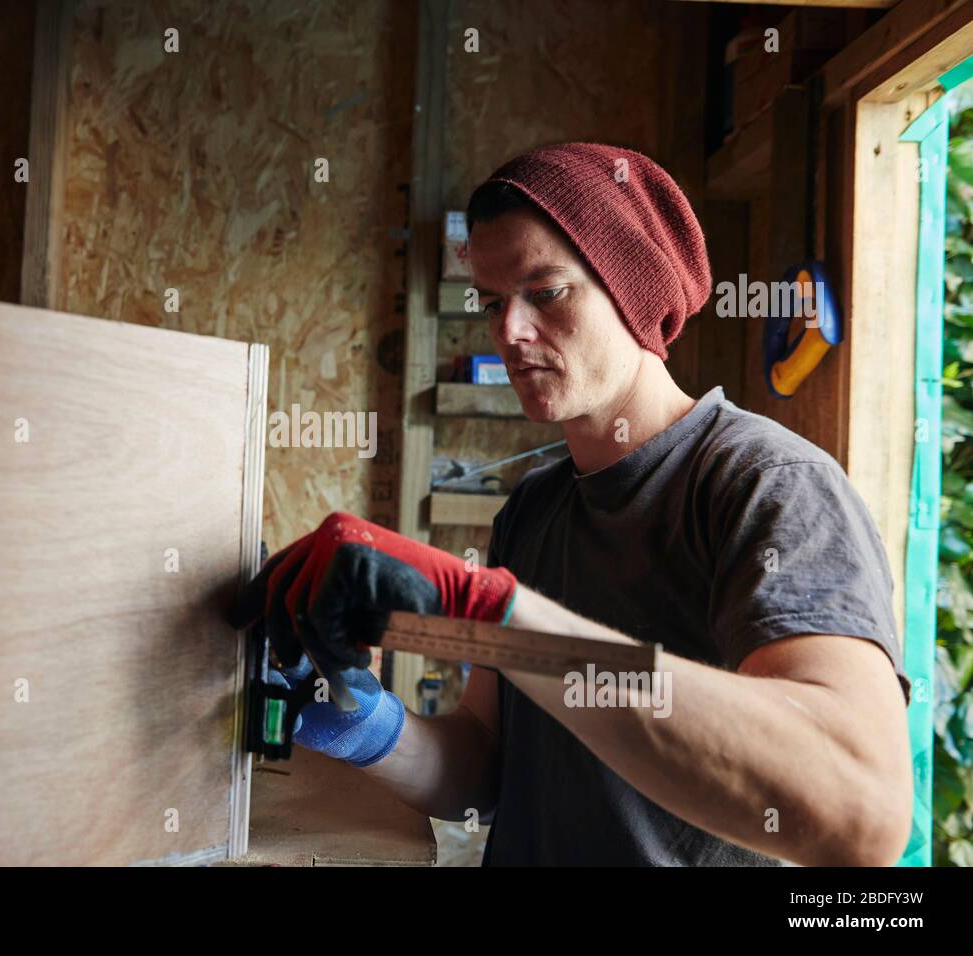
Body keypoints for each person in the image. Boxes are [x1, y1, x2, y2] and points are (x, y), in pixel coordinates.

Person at [230, 143, 912, 866]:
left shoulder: (769, 484)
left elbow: (861, 815)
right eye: (492, 302)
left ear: (635, 292)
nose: (509, 331)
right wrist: (365, 725)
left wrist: (491, 615)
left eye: (546, 292)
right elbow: (483, 779)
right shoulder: (533, 510)